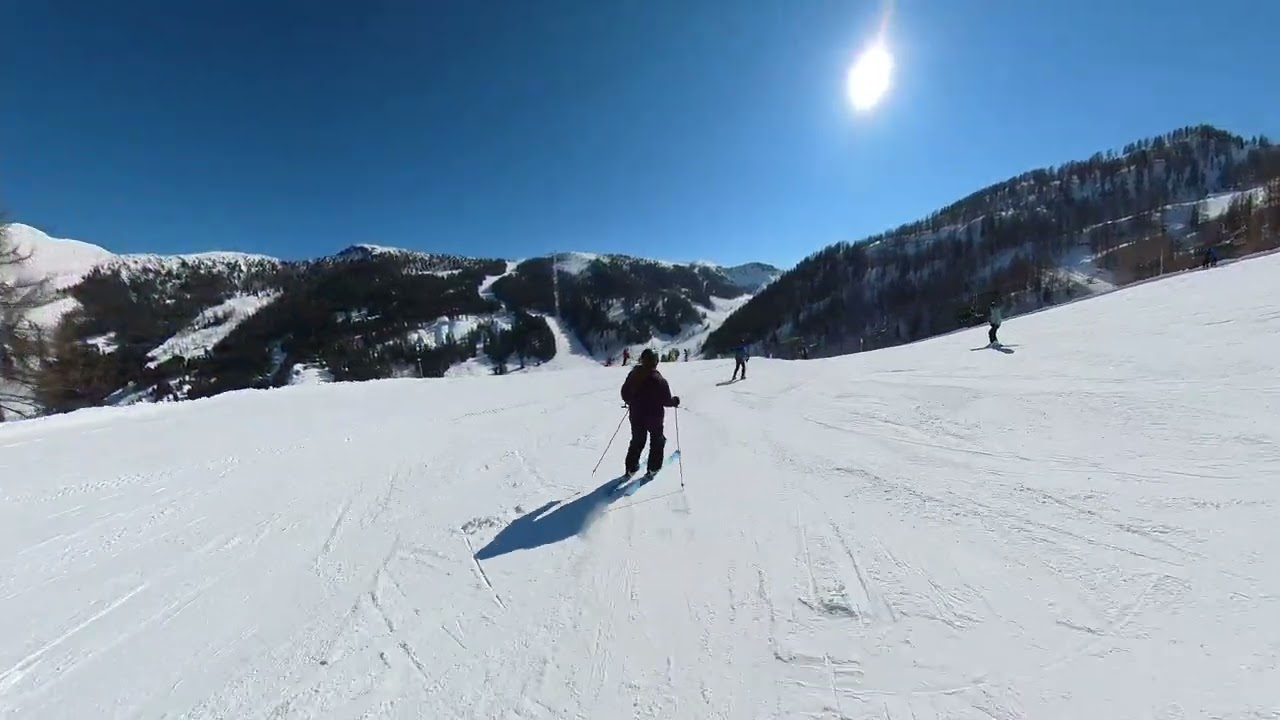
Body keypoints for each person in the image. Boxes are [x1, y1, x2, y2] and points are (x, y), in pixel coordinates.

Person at [619, 348, 680, 476]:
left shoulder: (634, 374)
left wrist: (631, 401)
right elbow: (666, 401)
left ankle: (631, 468)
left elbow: (624, 392)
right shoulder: (659, 380)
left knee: (637, 440)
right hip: (654, 417)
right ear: (655, 362)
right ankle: (653, 468)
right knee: (657, 441)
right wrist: (675, 401)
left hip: (636, 415)